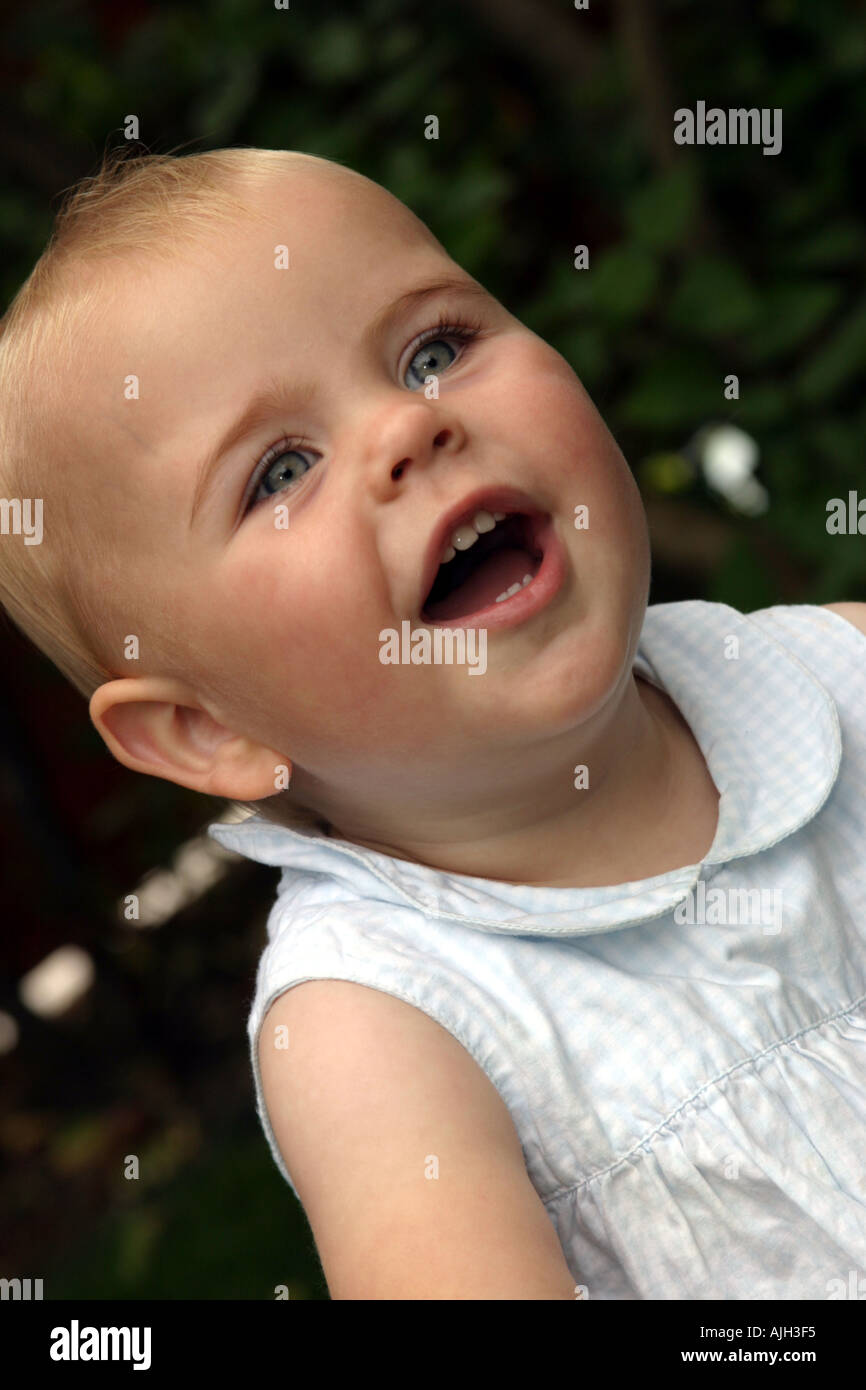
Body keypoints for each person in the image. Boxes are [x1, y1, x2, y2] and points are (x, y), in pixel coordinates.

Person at [1, 145, 864, 1299]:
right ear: (208, 732)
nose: (406, 429)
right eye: (278, 472)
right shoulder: (380, 1029)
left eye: (433, 350)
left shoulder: (836, 677)